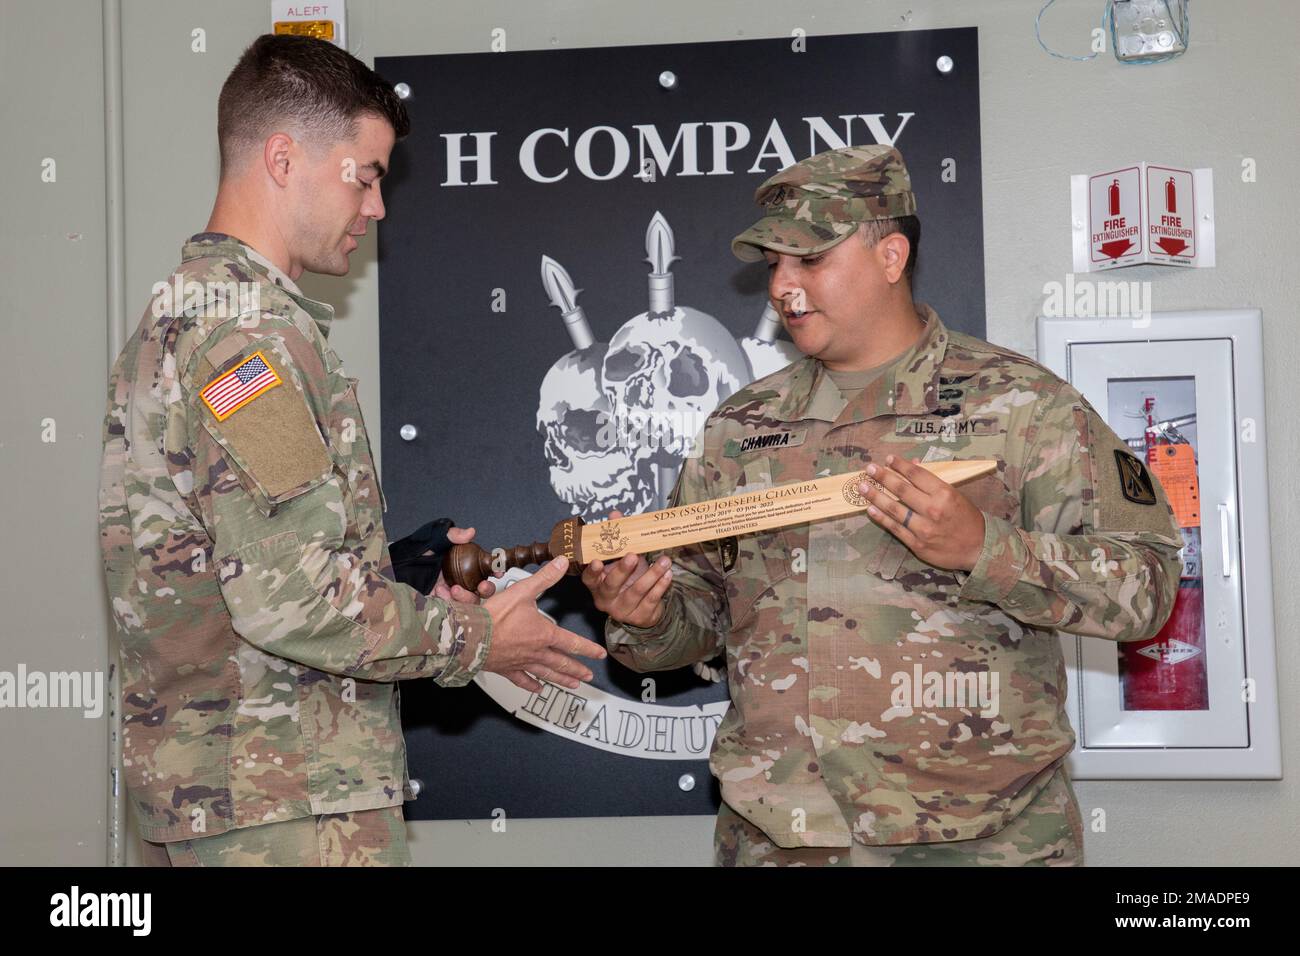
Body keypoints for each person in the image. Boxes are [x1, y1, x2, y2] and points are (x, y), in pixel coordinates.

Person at [583, 145, 1184, 866]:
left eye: (809, 259)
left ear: (891, 256)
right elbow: (703, 614)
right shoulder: (737, 429)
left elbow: (1145, 587)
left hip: (982, 843)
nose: (782, 286)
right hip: (780, 841)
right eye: (773, 263)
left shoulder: (1022, 405)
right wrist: (646, 617)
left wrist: (983, 550)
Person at [97, 33, 605, 867]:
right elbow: (287, 597)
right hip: (285, 802)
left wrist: (398, 574)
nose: (377, 208)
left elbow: (228, 561)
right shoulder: (247, 335)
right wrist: (472, 642)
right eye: (365, 176)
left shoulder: (189, 312)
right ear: (285, 157)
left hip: (221, 796)